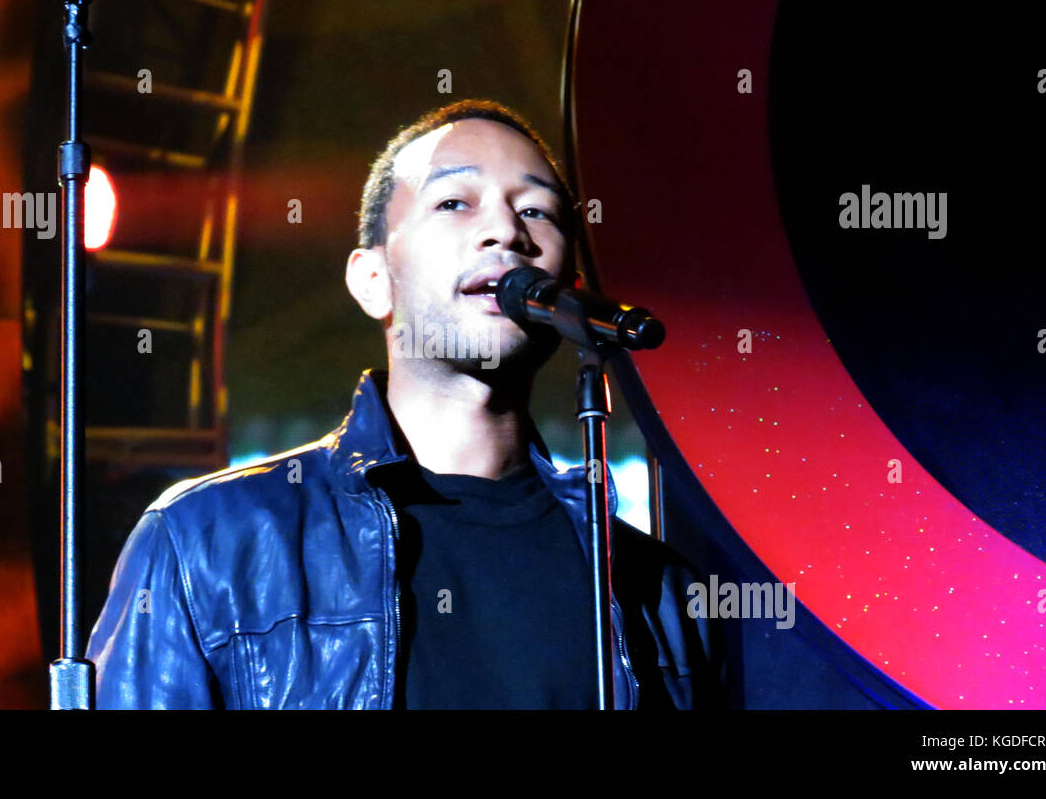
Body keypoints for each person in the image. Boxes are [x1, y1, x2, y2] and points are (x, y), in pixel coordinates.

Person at [86, 99, 724, 709]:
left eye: (536, 212)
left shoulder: (654, 591)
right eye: (454, 202)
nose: (506, 231)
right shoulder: (208, 539)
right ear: (372, 279)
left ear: (570, 287)